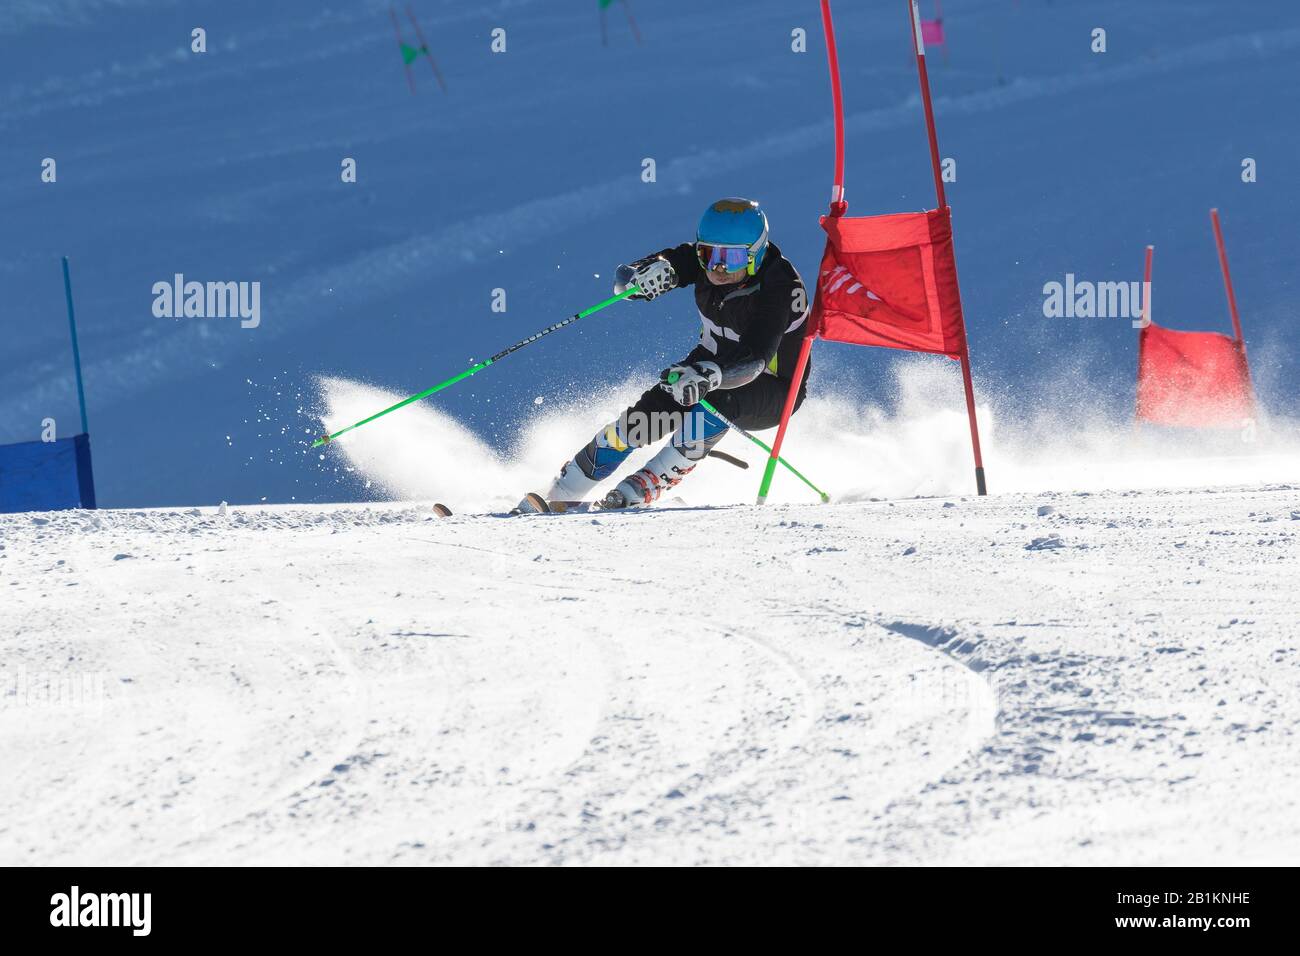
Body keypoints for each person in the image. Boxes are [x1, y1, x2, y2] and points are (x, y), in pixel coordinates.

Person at [523, 197, 811, 511]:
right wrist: (640, 278)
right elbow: (626, 278)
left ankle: (643, 486)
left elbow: (756, 360)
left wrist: (710, 376)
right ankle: (563, 493)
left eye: (731, 258)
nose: (717, 267)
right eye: (708, 253)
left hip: (773, 389)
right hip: (708, 366)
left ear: (755, 254)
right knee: (652, 410)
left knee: (717, 403)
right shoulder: (699, 261)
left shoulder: (780, 289)